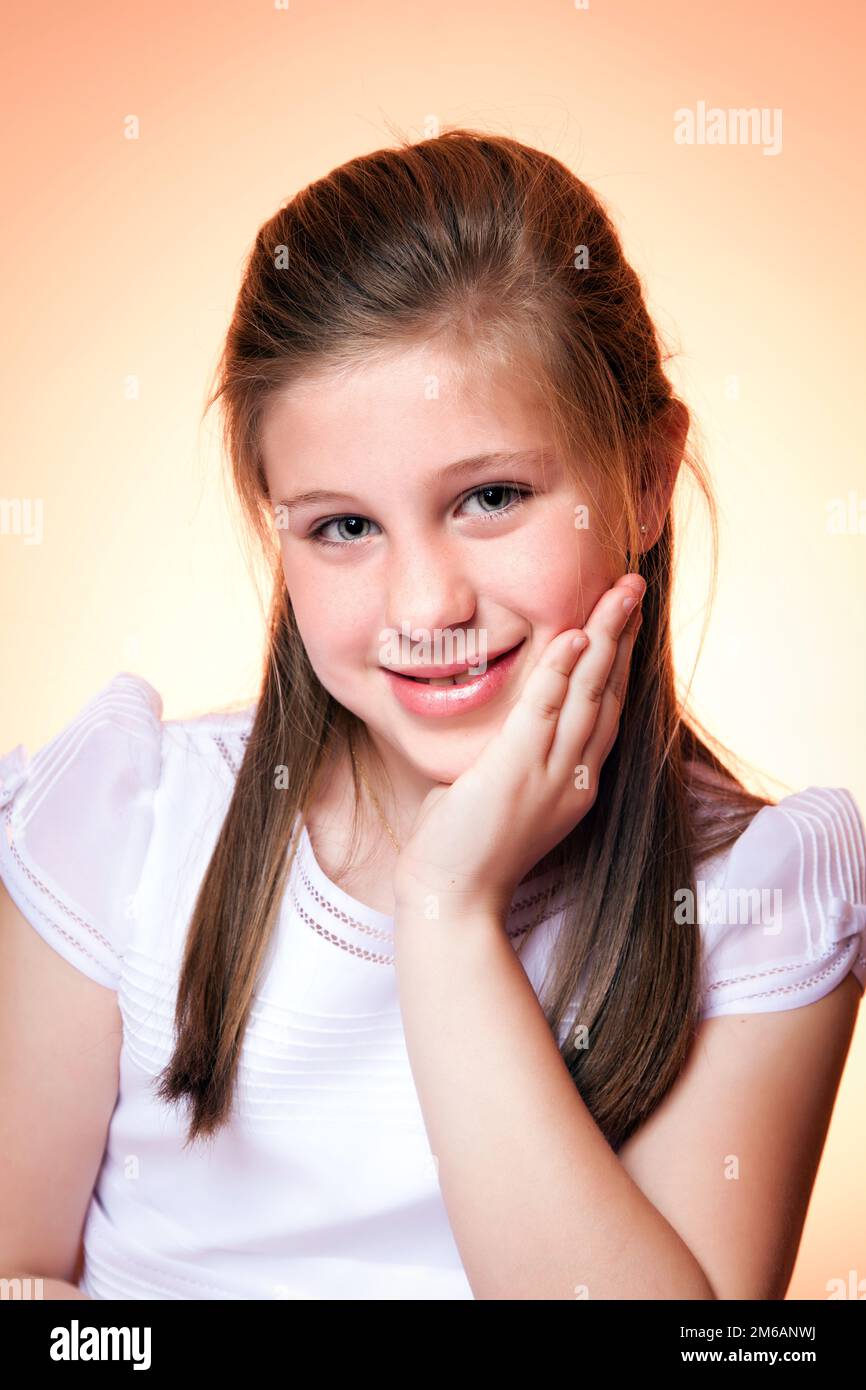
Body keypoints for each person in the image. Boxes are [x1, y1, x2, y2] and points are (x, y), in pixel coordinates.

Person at [1, 129, 864, 1302]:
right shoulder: (131, 826)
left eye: (490, 498)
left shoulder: (755, 898)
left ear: (646, 477)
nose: (424, 605)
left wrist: (449, 913)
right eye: (341, 526)